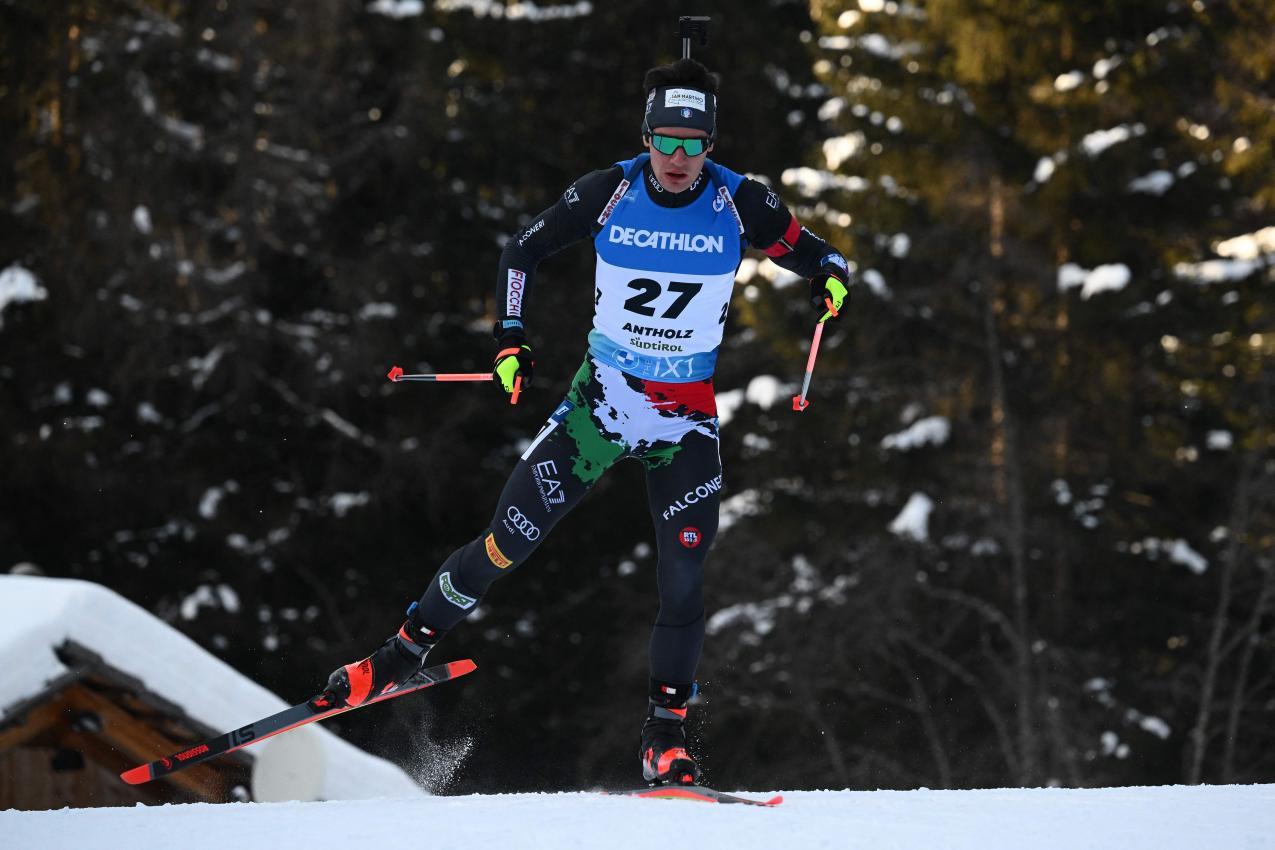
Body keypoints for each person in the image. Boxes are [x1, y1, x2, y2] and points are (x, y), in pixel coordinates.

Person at [323, 58, 850, 786]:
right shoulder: (609, 191)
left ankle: (664, 736)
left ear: (710, 145)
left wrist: (831, 275)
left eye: (693, 145)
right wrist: (510, 336)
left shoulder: (740, 203)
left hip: (682, 422)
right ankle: (397, 655)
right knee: (507, 542)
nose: (677, 159)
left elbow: (811, 252)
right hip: (597, 410)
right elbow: (521, 252)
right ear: (646, 136)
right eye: (665, 141)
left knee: (684, 576)